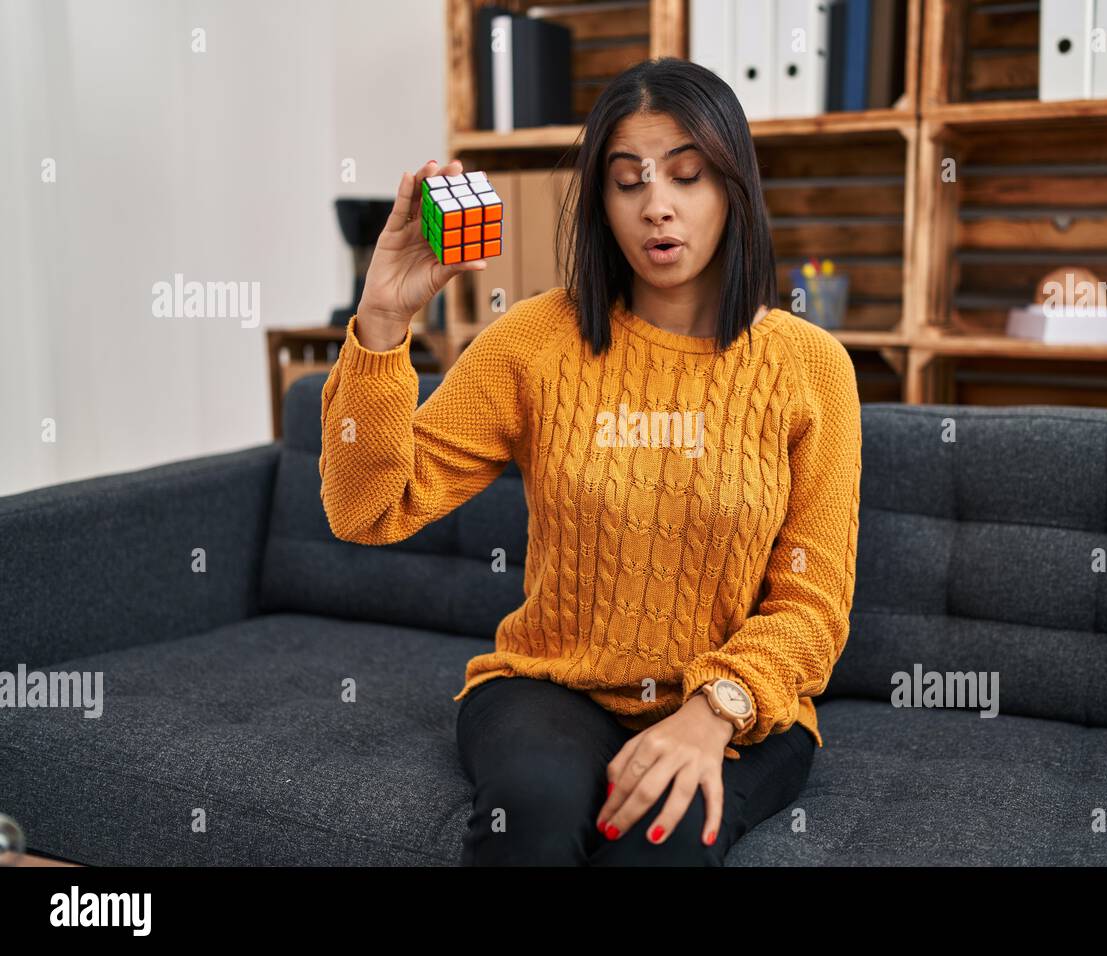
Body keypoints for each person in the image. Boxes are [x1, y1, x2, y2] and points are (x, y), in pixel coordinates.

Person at [318, 57, 862, 865]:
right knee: (534, 815)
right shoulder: (536, 341)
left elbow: (814, 604)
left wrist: (712, 712)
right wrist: (384, 323)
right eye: (628, 181)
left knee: (659, 838)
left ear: (735, 189)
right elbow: (367, 508)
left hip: (737, 703)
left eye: (688, 175)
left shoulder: (811, 368)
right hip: (552, 685)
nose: (659, 207)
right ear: (601, 202)